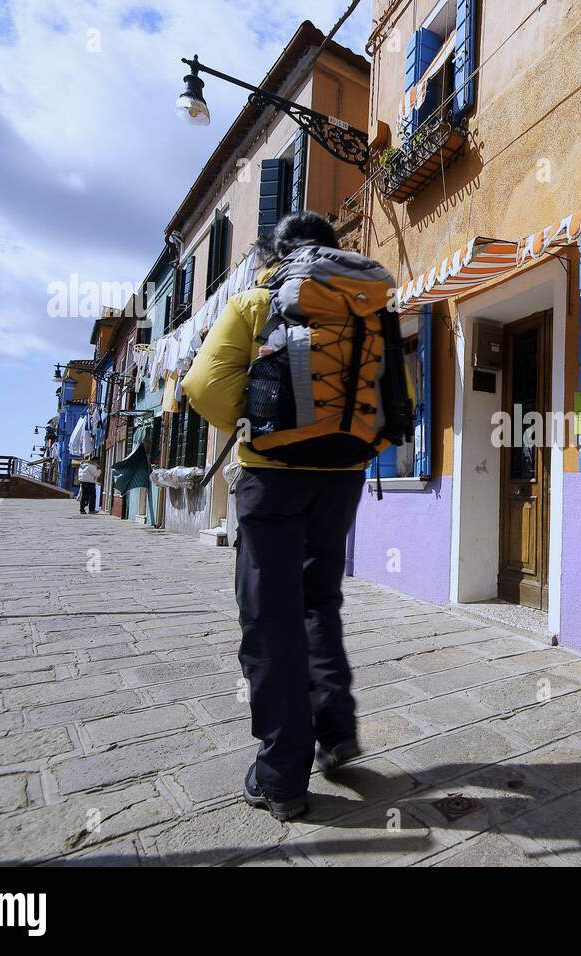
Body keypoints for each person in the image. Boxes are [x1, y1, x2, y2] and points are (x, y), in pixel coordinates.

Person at [182, 212, 386, 822]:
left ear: (278, 252)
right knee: (318, 600)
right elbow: (392, 388)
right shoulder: (368, 307)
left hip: (273, 477)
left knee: (270, 617)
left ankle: (280, 774)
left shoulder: (256, 302)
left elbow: (204, 388)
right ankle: (336, 726)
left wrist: (261, 415)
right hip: (344, 474)